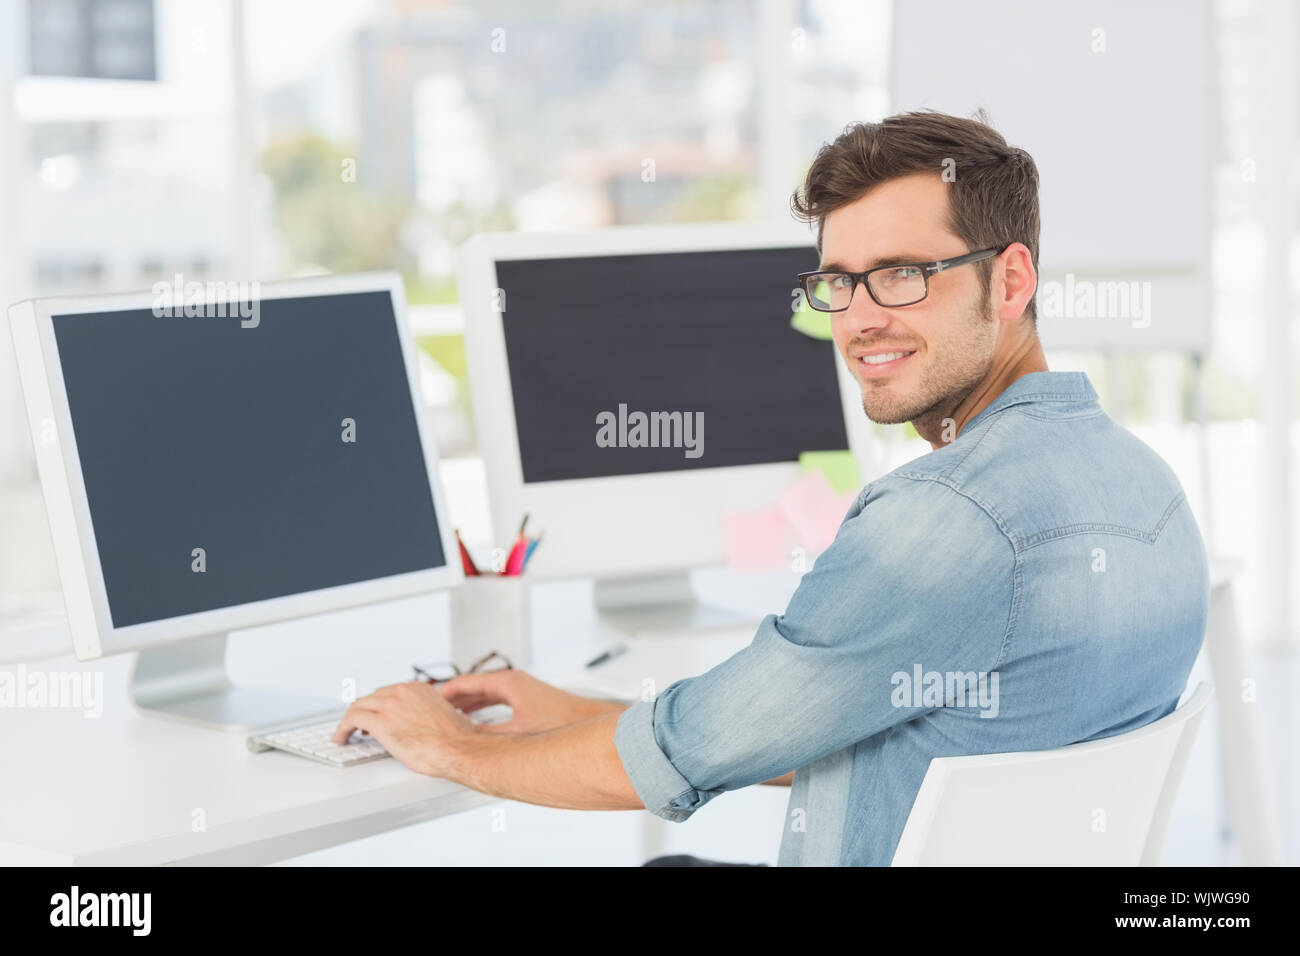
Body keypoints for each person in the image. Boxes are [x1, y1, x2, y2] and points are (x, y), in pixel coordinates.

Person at [332, 109, 1209, 866]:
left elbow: (680, 760)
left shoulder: (941, 523)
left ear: (1010, 279)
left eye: (903, 274)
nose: (860, 318)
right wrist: (570, 713)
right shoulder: (1151, 495)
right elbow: (880, 730)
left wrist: (450, 748)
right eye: (838, 282)